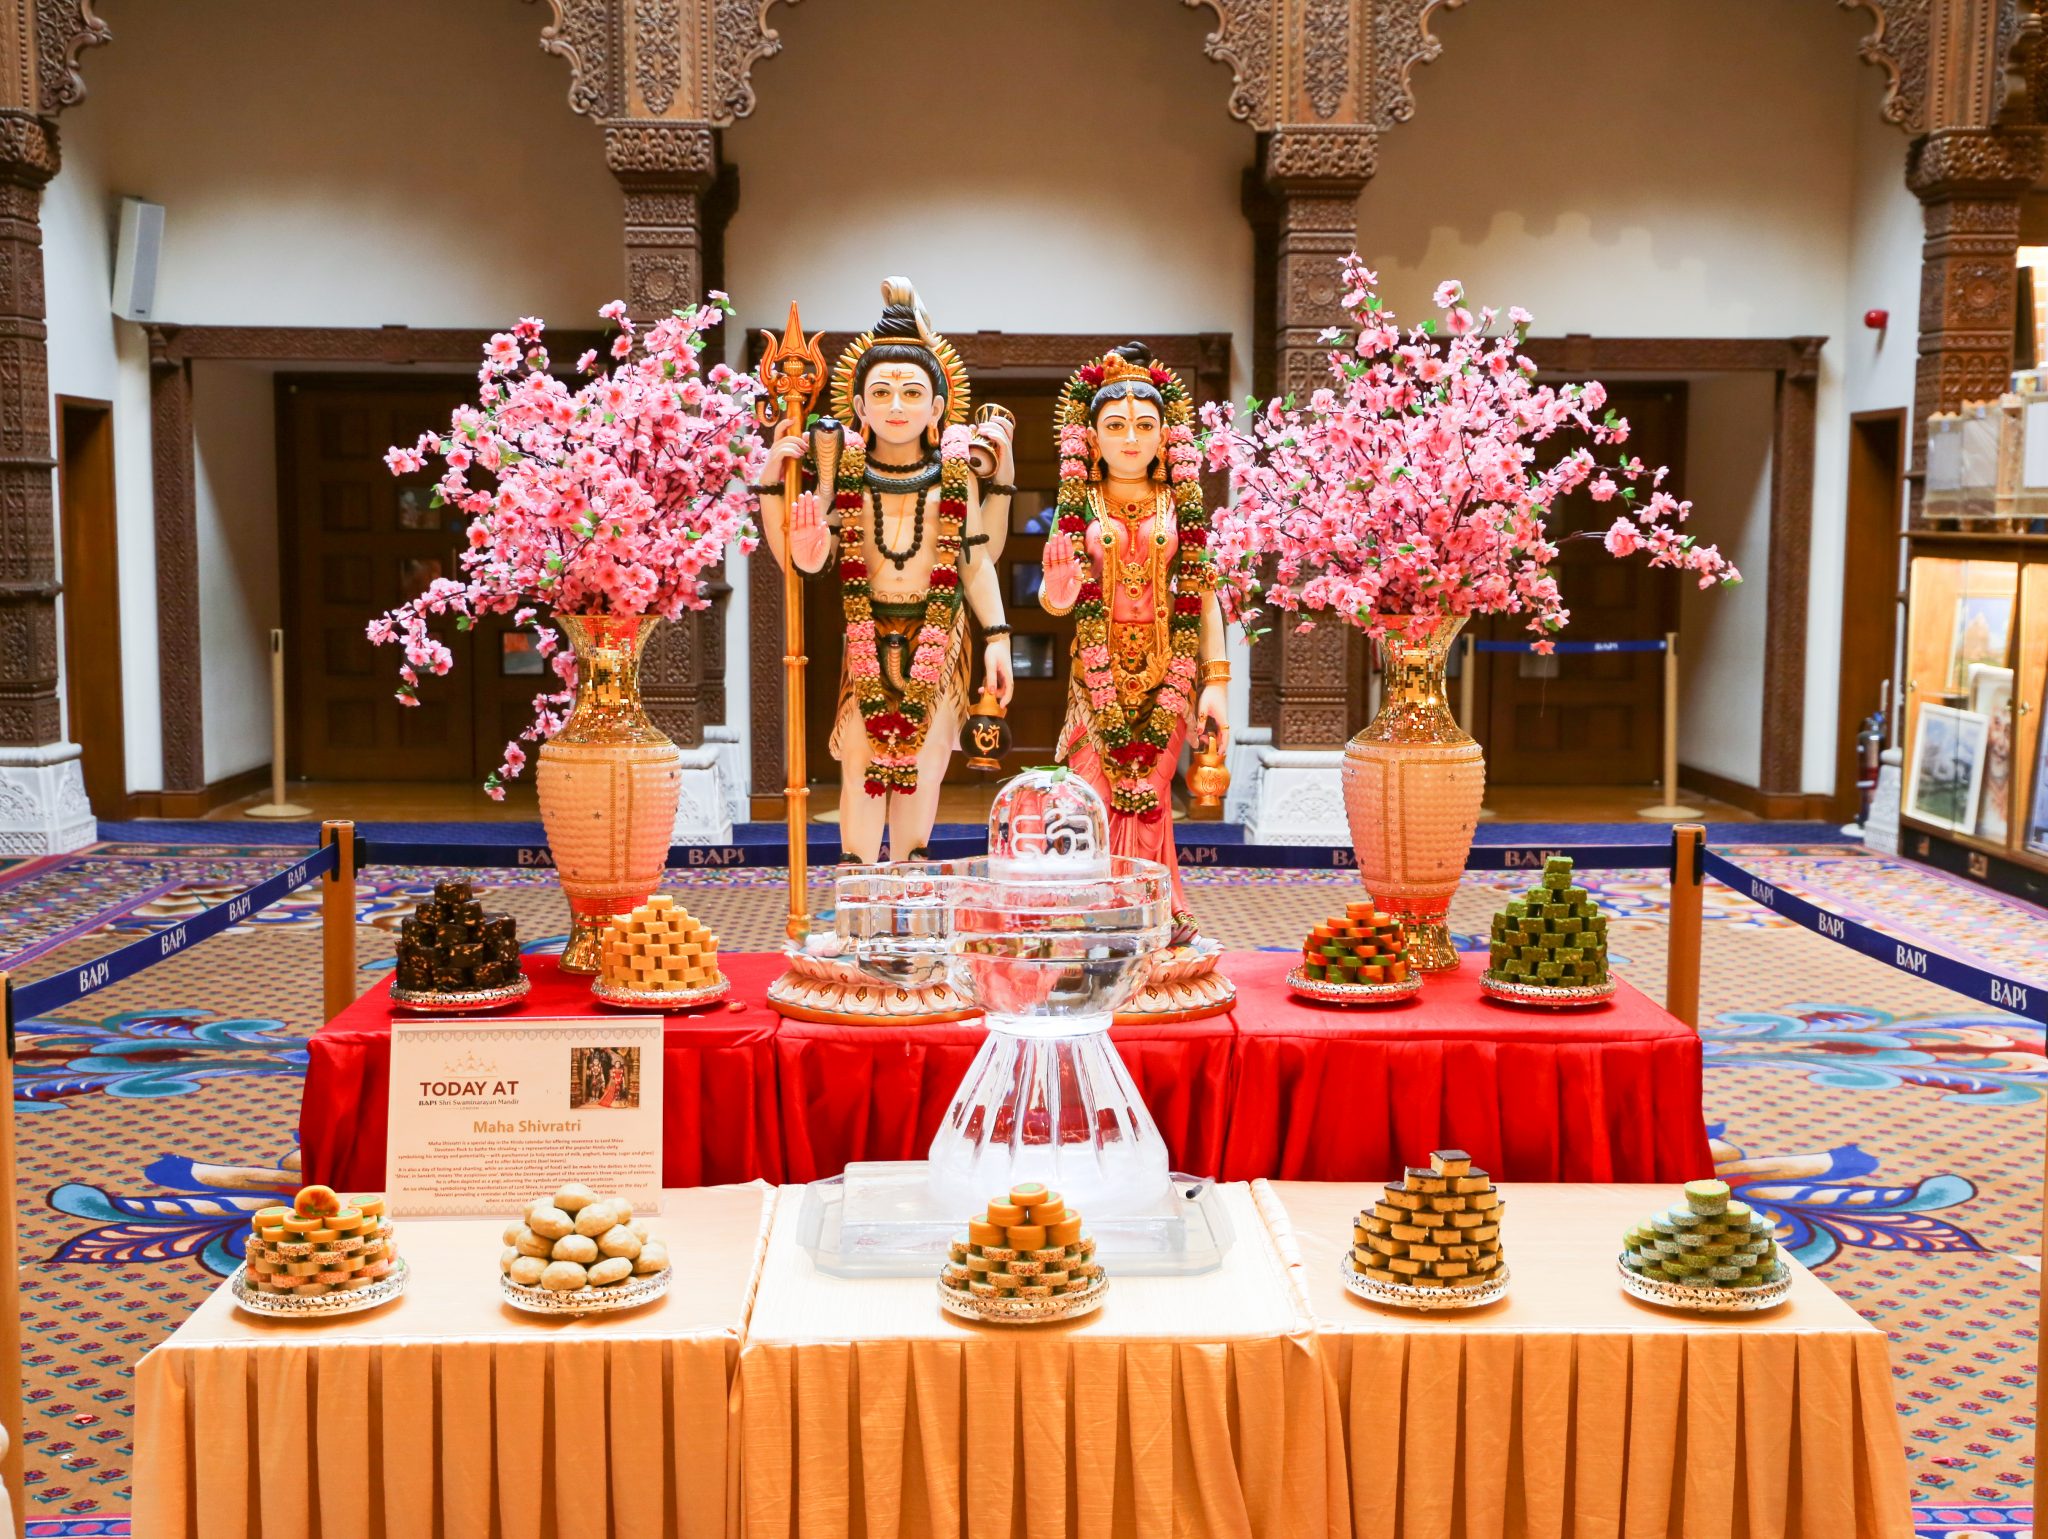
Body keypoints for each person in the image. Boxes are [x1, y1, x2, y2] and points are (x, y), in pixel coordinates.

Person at [759, 279, 1016, 862]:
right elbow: (806, 563)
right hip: (867, 635)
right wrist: (778, 489)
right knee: (860, 768)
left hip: (940, 635)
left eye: (911, 392)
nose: (896, 406)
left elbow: (974, 562)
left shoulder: (955, 476)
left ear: (938, 407)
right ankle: (858, 893)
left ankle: (909, 894)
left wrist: (998, 637)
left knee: (924, 773)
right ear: (858, 407)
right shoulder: (840, 471)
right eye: (882, 392)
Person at [1041, 344, 1230, 930]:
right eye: (1116, 425)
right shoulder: (1077, 505)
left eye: (1144, 426)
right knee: (1090, 794)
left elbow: (1204, 592)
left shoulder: (1181, 505)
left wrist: (1216, 681)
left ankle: (1153, 916)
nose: (1130, 438)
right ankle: (1086, 915)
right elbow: (1054, 600)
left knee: (1151, 792)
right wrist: (1061, 588)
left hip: (1167, 669)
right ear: (1092, 438)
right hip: (1092, 676)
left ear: (1164, 436)